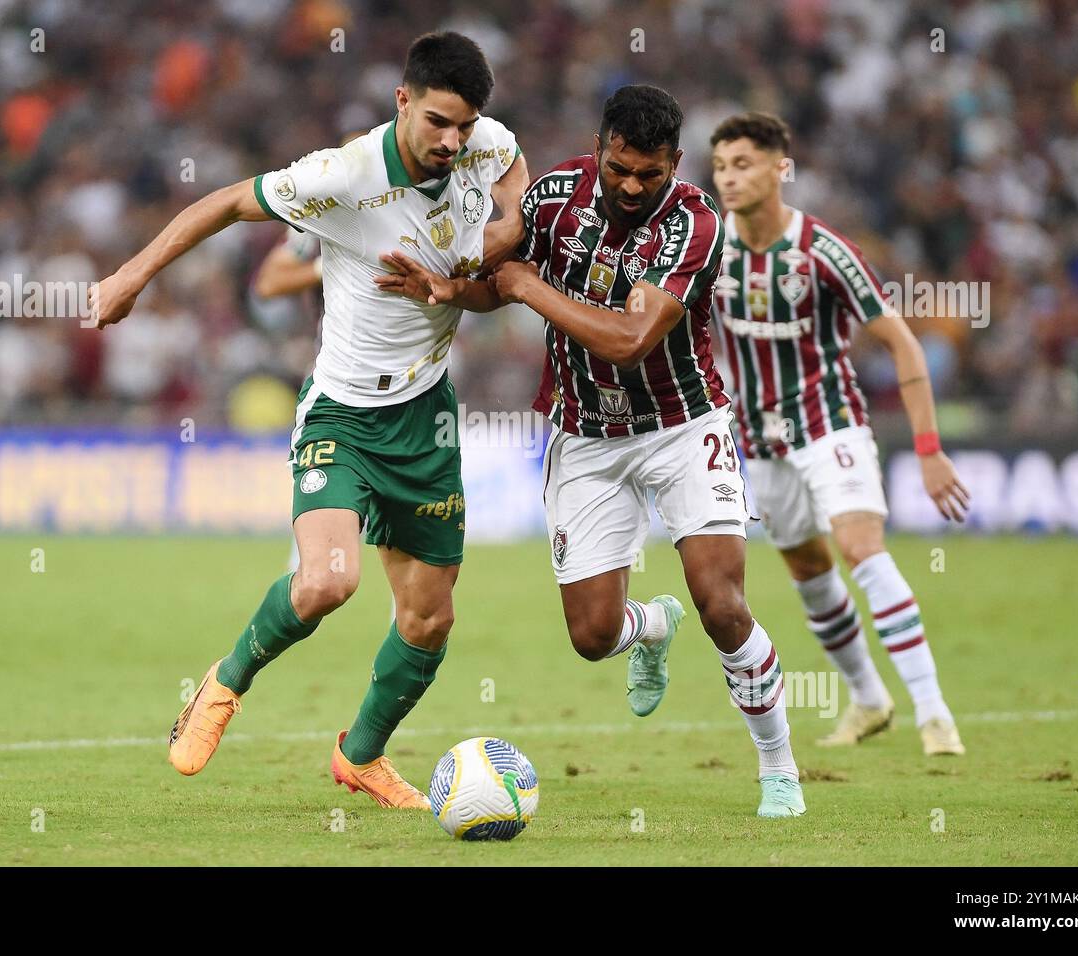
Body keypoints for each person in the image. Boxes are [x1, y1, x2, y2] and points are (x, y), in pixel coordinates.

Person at [92, 31, 529, 808]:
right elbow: (226, 202)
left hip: (425, 414)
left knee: (429, 619)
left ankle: (360, 756)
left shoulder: (482, 142)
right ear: (402, 101)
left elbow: (511, 182)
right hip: (344, 416)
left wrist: (489, 241)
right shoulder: (343, 175)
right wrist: (131, 278)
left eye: (463, 125)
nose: (452, 140)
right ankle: (222, 685)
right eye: (437, 122)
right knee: (329, 582)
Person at [490, 86, 806, 817]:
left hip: (680, 426)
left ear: (676, 164)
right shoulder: (552, 199)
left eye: (650, 174)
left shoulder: (694, 222)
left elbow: (632, 341)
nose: (632, 186)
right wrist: (446, 282)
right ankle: (653, 625)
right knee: (593, 636)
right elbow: (492, 283)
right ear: (600, 148)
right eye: (620, 169)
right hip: (585, 436)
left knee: (723, 602)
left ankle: (779, 768)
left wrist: (527, 287)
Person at [708, 111, 969, 755]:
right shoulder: (712, 250)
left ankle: (935, 715)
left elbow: (904, 345)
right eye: (719, 167)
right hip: (760, 437)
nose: (729, 179)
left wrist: (930, 450)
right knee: (808, 570)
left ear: (780, 168)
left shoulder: (825, 251)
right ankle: (868, 699)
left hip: (830, 422)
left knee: (860, 548)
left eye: (743, 164)